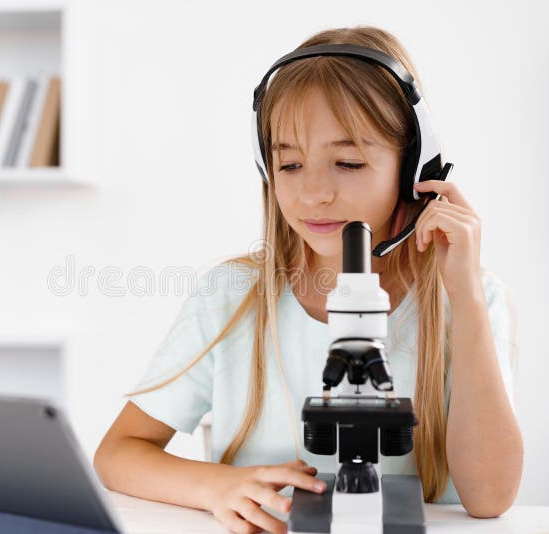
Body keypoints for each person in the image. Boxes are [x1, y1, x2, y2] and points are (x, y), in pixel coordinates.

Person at [93, 25, 523, 534]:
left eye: (347, 162)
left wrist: (465, 293)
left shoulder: (470, 300)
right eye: (290, 164)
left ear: (412, 169)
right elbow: (118, 453)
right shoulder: (230, 299)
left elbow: (490, 498)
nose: (314, 192)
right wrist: (215, 487)